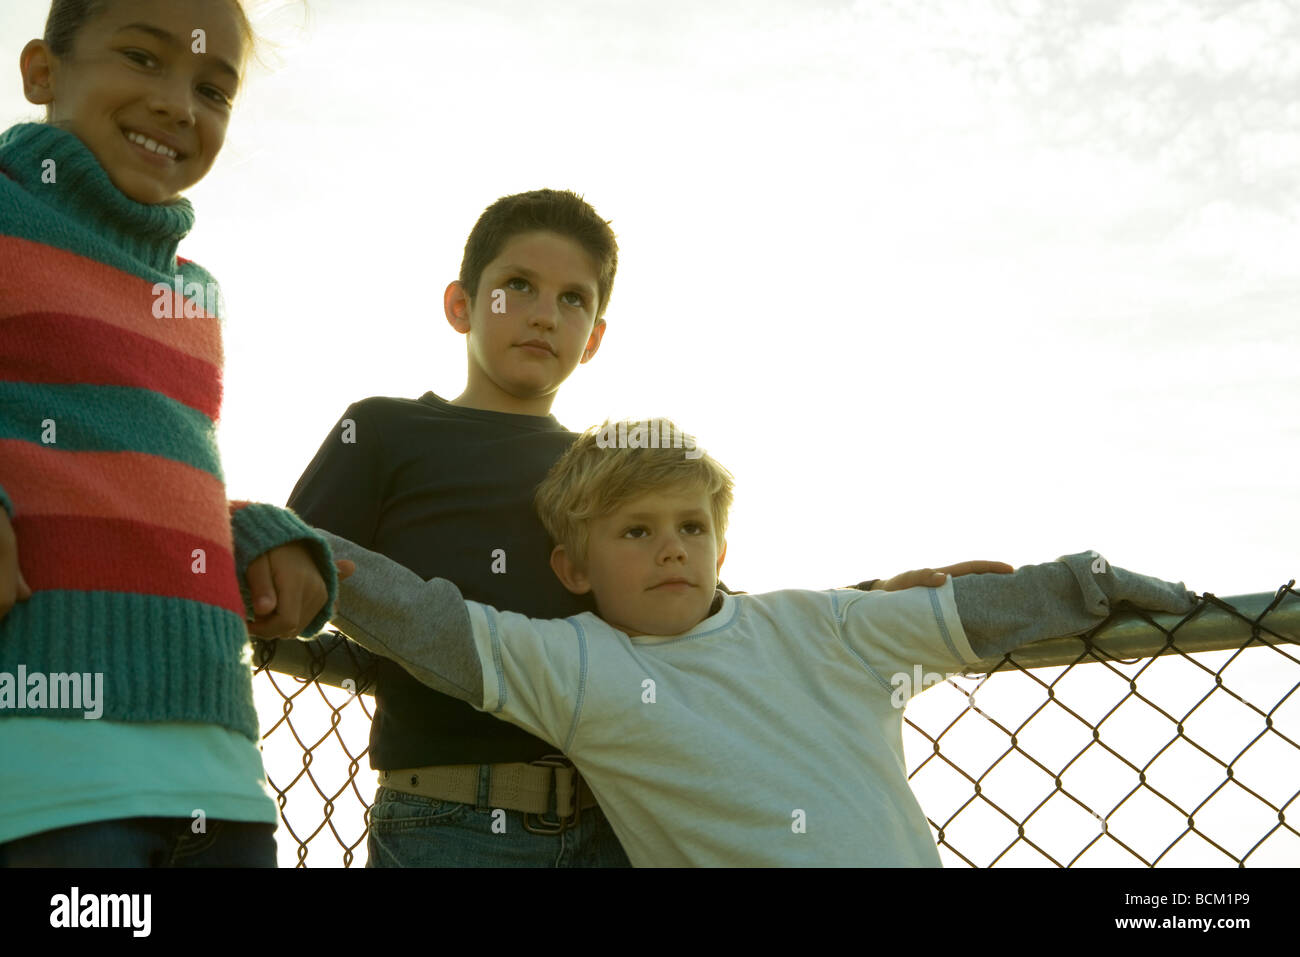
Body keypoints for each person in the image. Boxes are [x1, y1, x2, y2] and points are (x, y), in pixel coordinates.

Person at [288, 190, 1012, 866]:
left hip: (621, 819)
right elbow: (291, 568)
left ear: (595, 336)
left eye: (573, 299)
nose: (545, 314)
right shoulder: (384, 430)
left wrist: (872, 596)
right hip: (451, 819)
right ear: (461, 304)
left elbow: (696, 604)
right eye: (519, 287)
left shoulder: (601, 466)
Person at [315, 419, 1198, 866]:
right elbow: (432, 623)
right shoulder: (577, 665)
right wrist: (304, 546)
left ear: (722, 548)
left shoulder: (820, 624)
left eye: (692, 527)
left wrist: (1090, 580)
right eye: (635, 531)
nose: (672, 547)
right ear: (572, 567)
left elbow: (973, 613)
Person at [0, 0, 344, 867]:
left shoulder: (195, 298)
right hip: (49, 761)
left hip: (219, 766)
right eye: (143, 60)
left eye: (212, 89)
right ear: (42, 71)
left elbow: (149, 462)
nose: (180, 105)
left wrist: (254, 533)